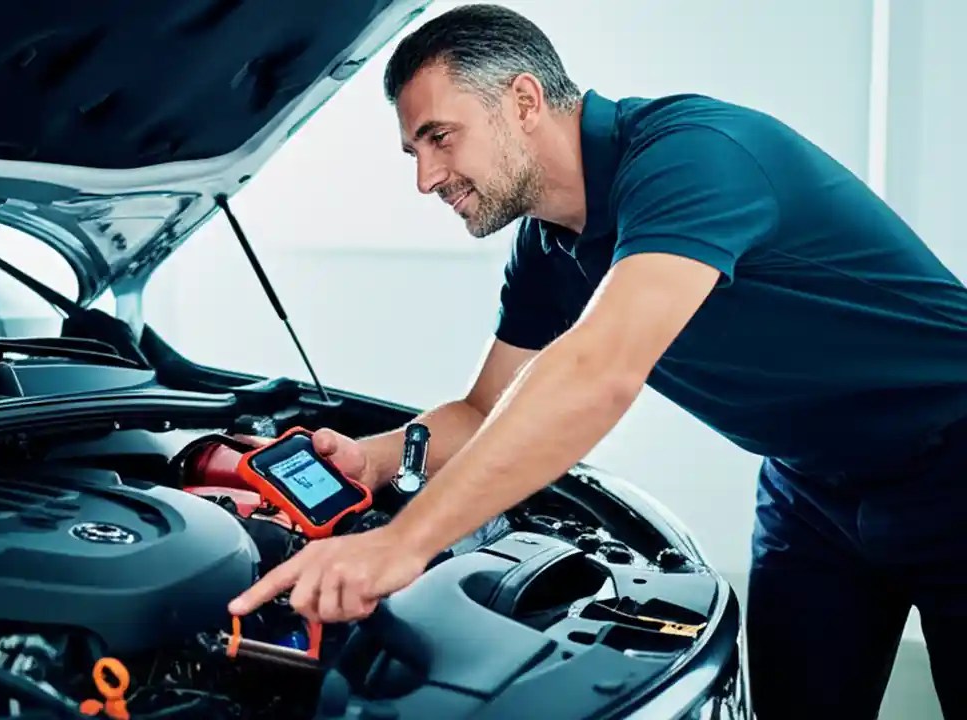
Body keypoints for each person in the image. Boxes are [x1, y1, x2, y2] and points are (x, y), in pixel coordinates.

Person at [227, 4, 967, 717]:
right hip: (811, 493)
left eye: (440, 137)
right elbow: (484, 408)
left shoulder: (693, 156)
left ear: (522, 101)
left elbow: (600, 370)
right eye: (413, 152)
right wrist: (375, 457)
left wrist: (404, 543)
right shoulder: (547, 245)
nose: (426, 179)